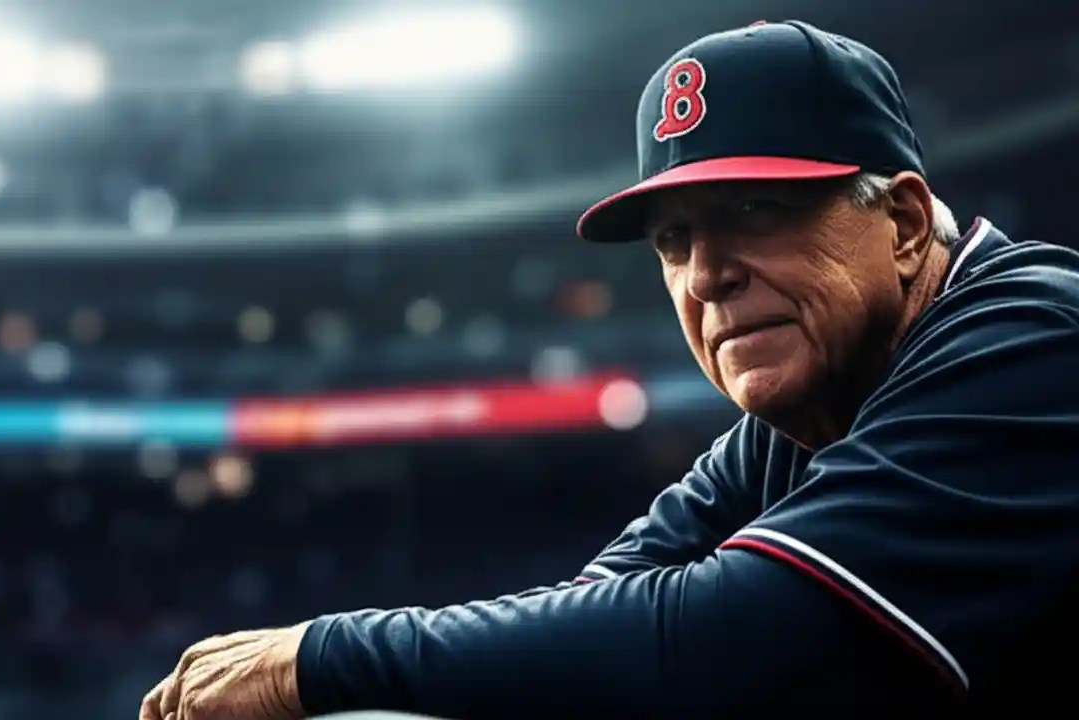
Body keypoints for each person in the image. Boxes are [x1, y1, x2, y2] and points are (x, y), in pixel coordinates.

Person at [140, 19, 1079, 720]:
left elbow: (724, 641)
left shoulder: (1036, 337)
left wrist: (325, 656)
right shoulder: (793, 425)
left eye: (754, 211)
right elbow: (602, 609)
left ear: (906, 225)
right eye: (675, 241)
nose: (705, 276)